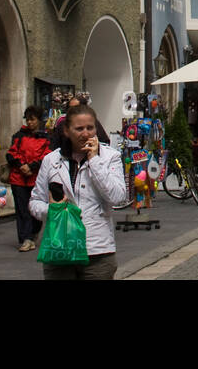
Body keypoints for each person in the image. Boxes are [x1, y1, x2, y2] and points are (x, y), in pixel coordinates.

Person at [30, 103, 127, 279]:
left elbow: (118, 197)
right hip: (60, 247)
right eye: (79, 128)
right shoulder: (51, 160)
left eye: (90, 128)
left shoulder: (110, 157)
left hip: (97, 250)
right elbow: (35, 201)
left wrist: (94, 161)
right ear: (66, 131)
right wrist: (52, 210)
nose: (86, 133)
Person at [7, 105, 51, 251]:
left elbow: (46, 156)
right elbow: (11, 154)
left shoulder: (45, 138)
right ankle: (26, 238)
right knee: (22, 209)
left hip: (36, 179)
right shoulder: (19, 136)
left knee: (35, 209)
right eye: (28, 120)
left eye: (32, 120)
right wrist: (21, 165)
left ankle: (33, 234)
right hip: (18, 178)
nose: (30, 123)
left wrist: (31, 167)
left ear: (39, 120)